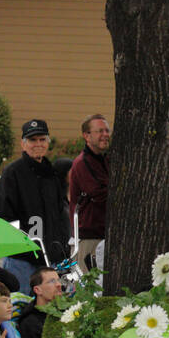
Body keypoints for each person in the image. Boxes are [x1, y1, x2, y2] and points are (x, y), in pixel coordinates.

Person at [0, 118, 72, 292]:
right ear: (23, 144)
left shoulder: (52, 174)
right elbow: (2, 217)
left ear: (48, 143)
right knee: (21, 306)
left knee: (50, 309)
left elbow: (59, 214)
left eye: (42, 139)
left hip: (50, 260)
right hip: (21, 260)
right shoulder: (12, 173)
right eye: (32, 140)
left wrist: (61, 248)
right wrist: (25, 244)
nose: (38, 144)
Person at [68, 113, 111, 270]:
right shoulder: (82, 163)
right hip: (87, 239)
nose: (105, 135)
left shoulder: (105, 161)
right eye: (100, 131)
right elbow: (100, 194)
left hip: (104, 236)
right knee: (87, 289)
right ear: (86, 135)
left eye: (107, 130)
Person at [18, 266, 62, 338]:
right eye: (52, 281)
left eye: (58, 280)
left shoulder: (66, 309)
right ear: (38, 290)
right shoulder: (29, 323)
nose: (59, 285)